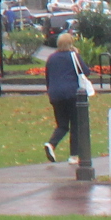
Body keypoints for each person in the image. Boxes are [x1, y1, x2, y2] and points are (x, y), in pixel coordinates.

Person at [41, 32, 85, 163]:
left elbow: (48, 77)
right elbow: (85, 71)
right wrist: (77, 55)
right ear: (70, 43)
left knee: (62, 125)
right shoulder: (73, 56)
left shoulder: (51, 58)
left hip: (55, 95)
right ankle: (74, 155)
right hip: (72, 94)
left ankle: (51, 144)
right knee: (75, 125)